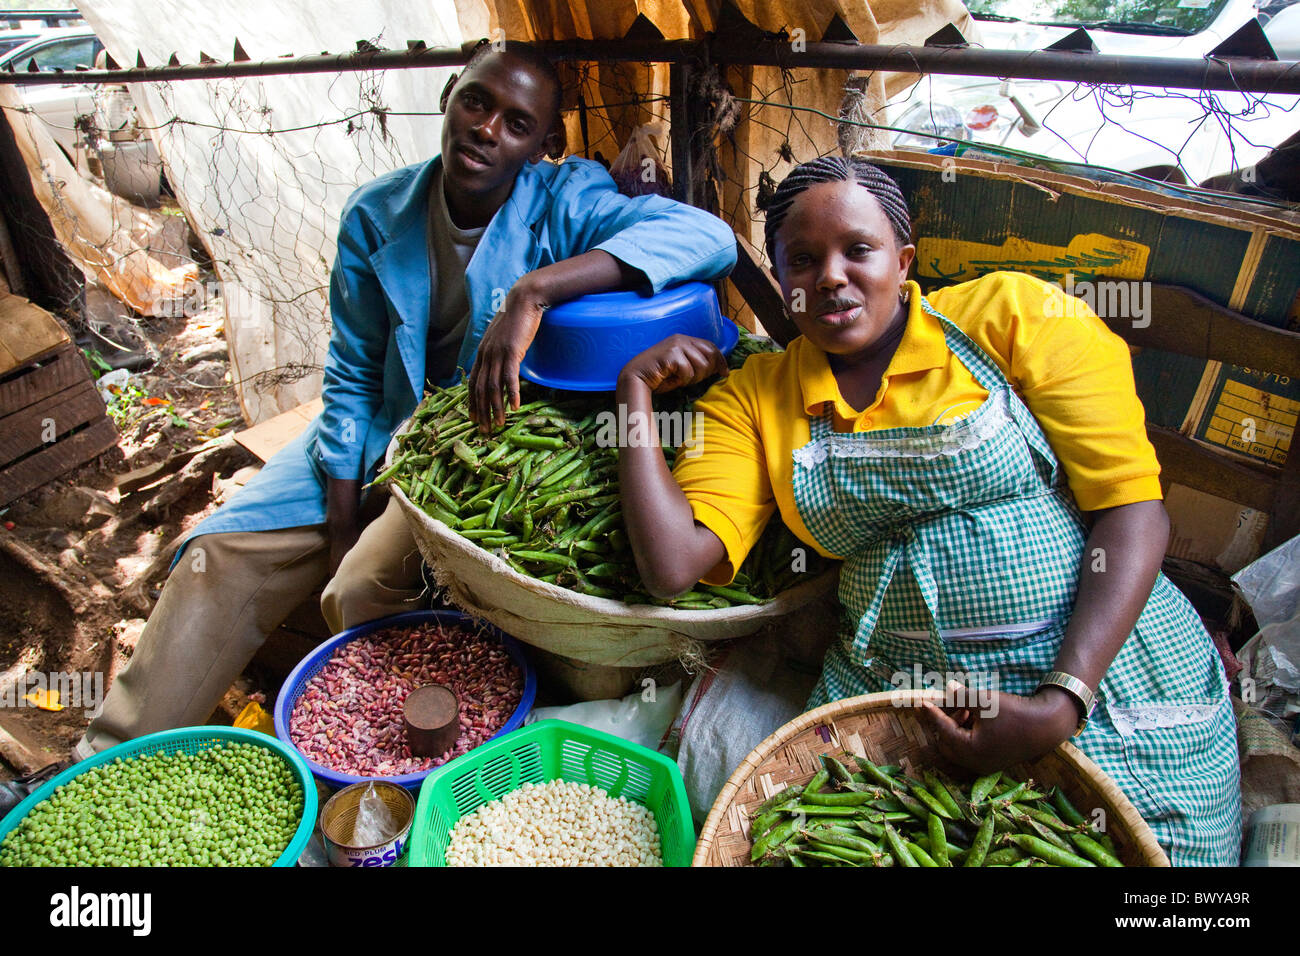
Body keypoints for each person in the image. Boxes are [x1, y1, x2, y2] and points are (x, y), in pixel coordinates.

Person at [76, 41, 737, 758]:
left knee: (359, 590)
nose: (487, 129)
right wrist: (338, 519)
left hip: (477, 443)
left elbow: (706, 236)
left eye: (517, 124)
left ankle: (395, 753)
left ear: (545, 144)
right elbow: (355, 374)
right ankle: (107, 759)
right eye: (477, 102)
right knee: (217, 554)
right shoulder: (377, 214)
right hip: (386, 422)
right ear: (451, 97)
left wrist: (534, 291)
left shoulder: (564, 201)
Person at [614, 156, 1240, 866]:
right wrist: (633, 390)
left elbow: (1131, 510)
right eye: (802, 260)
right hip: (908, 698)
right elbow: (670, 565)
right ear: (781, 280)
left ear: (904, 259)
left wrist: (1062, 702)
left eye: (858, 250)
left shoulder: (1012, 316)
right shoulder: (755, 396)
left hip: (1100, 672)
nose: (830, 276)